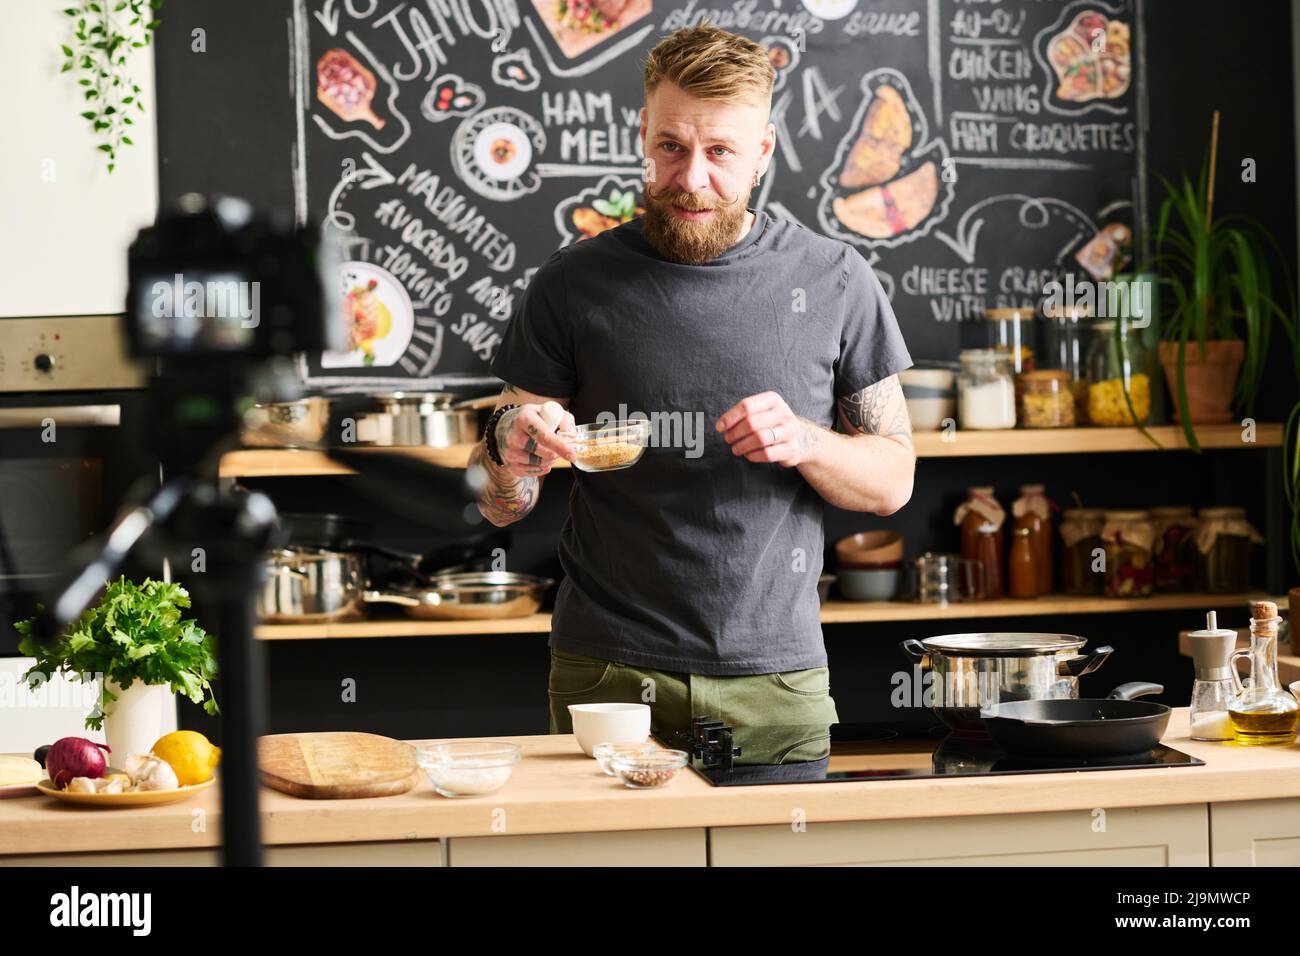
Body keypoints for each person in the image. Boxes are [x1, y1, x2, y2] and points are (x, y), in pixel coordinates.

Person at [469, 24, 915, 735]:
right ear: (643, 134)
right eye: (671, 147)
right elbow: (500, 506)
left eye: (721, 152)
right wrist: (509, 454)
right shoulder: (570, 284)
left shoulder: (834, 280)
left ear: (763, 152)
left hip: (777, 678)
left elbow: (893, 483)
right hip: (607, 673)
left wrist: (805, 441)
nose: (692, 178)